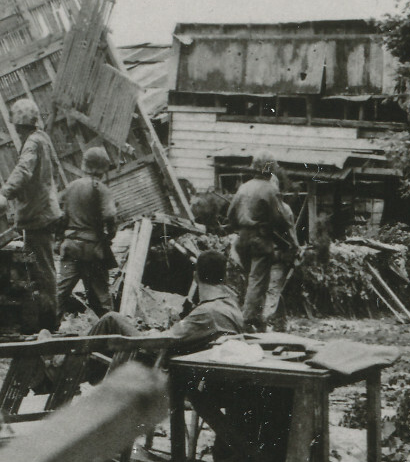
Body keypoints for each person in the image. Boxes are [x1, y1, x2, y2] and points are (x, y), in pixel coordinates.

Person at [0, 99, 67, 331]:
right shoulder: (42, 138)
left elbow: (24, 170)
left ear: (18, 123)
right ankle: (43, 320)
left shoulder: (32, 143)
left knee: (42, 270)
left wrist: (4, 193)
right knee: (41, 268)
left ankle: (47, 324)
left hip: (38, 215)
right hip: (42, 211)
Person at [87, 249, 244, 352]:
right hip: (187, 356)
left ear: (195, 277)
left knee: (111, 319)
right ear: (225, 278)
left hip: (159, 359)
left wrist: (152, 334)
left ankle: (68, 366)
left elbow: (163, 341)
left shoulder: (207, 312)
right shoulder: (231, 305)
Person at [226, 151, 300, 331]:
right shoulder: (269, 189)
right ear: (270, 168)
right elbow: (280, 219)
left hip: (242, 240)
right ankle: (248, 322)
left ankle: (255, 319)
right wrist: (291, 244)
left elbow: (230, 216)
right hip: (260, 240)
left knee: (251, 281)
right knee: (257, 282)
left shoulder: (244, 187)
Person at [56, 146, 119, 319]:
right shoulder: (101, 189)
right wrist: (111, 234)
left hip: (70, 248)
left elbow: (59, 216)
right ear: (103, 167)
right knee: (102, 298)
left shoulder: (70, 186)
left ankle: (46, 329)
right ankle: (111, 332)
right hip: (93, 251)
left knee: (59, 294)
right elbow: (110, 214)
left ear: (85, 165)